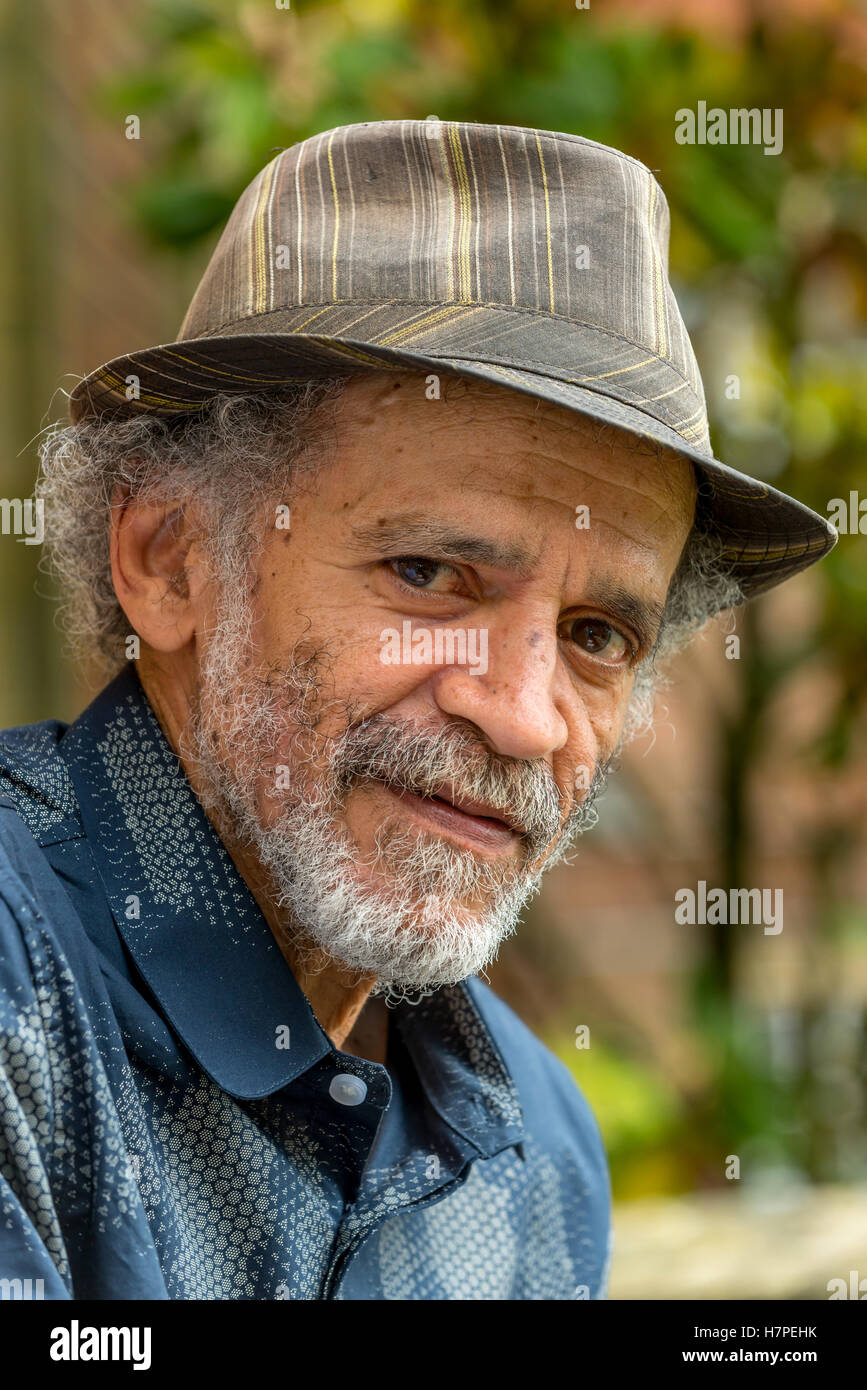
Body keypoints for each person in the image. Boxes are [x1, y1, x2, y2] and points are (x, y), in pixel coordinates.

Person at [0, 120, 835, 1301]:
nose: (525, 718)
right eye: (432, 575)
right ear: (171, 557)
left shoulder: (539, 1147)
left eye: (598, 637)